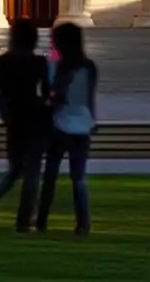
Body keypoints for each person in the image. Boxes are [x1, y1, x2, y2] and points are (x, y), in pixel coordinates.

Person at [0, 18, 51, 232]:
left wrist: (5, 113)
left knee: (17, 167)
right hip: (35, 119)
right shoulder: (39, 62)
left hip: (14, 120)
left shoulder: (2, 62)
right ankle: (24, 219)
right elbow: (46, 92)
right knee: (31, 172)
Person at [36, 22, 98, 236]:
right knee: (78, 177)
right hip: (83, 125)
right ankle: (83, 222)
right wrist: (93, 119)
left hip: (61, 125)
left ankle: (41, 220)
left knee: (50, 175)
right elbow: (90, 97)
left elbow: (57, 96)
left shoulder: (61, 67)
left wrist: (48, 103)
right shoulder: (89, 66)